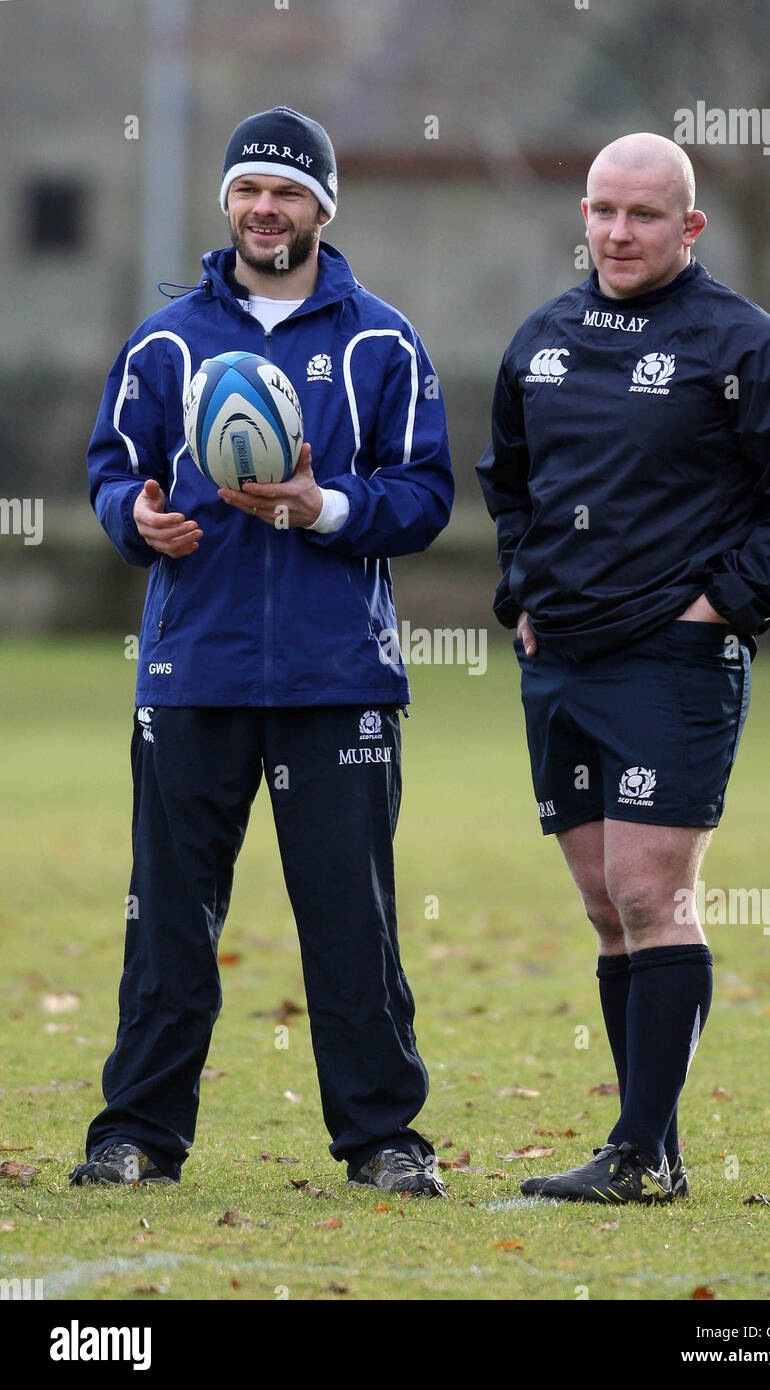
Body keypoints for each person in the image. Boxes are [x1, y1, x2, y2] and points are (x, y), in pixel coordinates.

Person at [71, 107, 453, 1197]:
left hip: (341, 680)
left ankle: (384, 1140)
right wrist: (130, 518)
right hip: (194, 671)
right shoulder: (167, 342)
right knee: (168, 918)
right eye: (248, 190)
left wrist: (323, 504)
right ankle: (135, 1134)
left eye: (286, 193)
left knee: (351, 921)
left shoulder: (381, 340)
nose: (264, 208)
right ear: (227, 203)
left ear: (322, 209)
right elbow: (111, 469)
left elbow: (425, 496)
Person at [476, 131, 770, 1204]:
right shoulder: (541, 339)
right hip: (561, 662)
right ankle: (654, 1149)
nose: (615, 231)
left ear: (687, 225)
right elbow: (507, 483)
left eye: (642, 214)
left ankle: (636, 1156)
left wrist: (717, 605)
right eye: (600, 209)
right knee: (606, 906)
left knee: (651, 890)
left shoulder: (747, 347)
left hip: (672, 661)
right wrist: (518, 597)